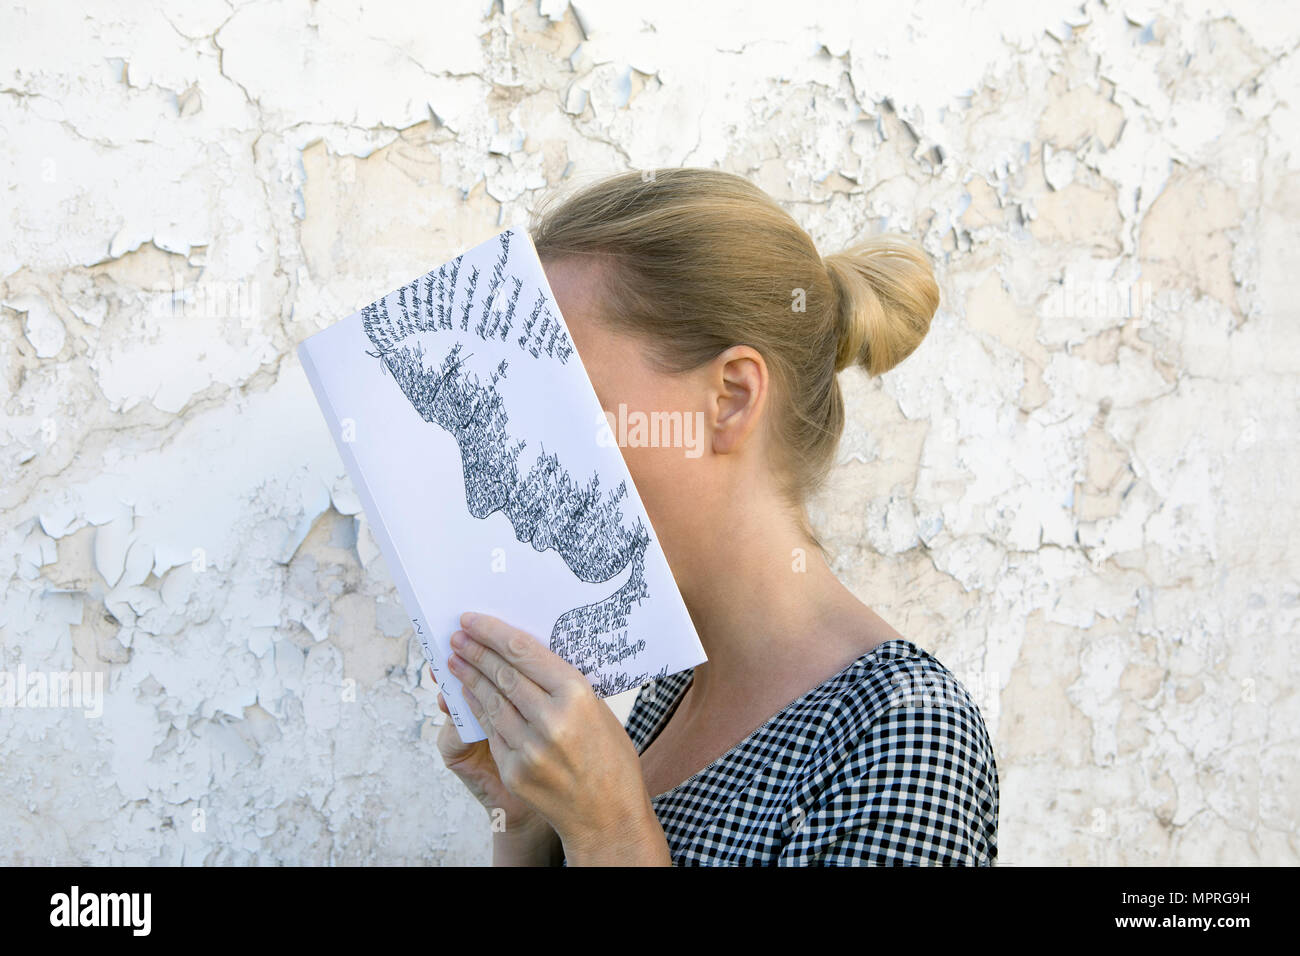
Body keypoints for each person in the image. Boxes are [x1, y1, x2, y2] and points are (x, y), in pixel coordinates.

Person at [429, 167, 999, 866]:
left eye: (571, 401)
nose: (525, 461)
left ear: (729, 398)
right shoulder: (673, 684)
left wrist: (612, 832)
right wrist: (525, 823)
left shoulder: (904, 732)